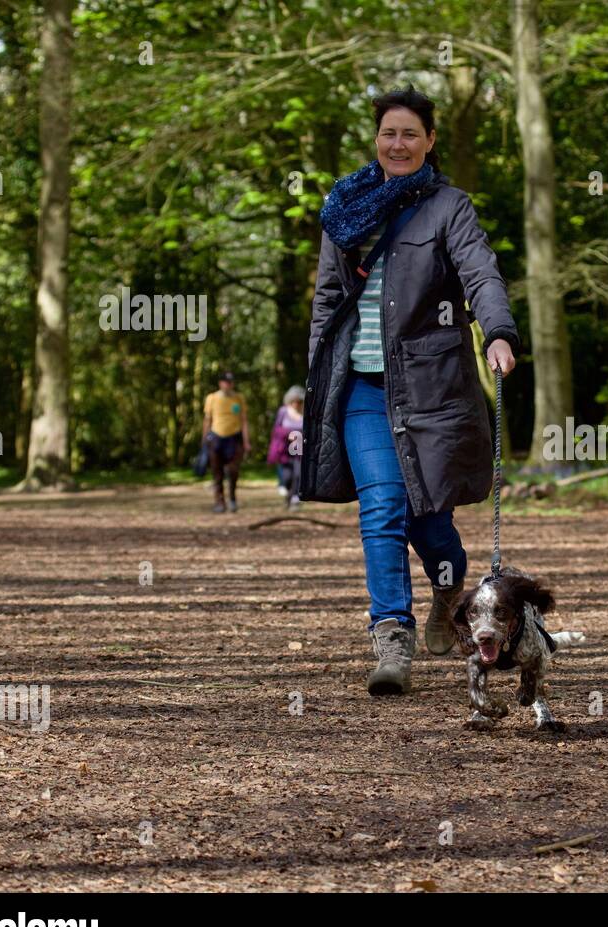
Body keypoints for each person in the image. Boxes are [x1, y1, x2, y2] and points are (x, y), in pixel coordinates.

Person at [300, 84, 520, 697]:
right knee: (382, 508)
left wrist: (497, 332)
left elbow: (480, 271)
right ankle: (390, 636)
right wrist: (319, 364)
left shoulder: (450, 206)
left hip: (433, 386)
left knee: (429, 517)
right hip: (363, 387)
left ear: (429, 141)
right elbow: (326, 298)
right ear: (377, 139)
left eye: (409, 134)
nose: (398, 144)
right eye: (388, 133)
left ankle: (450, 586)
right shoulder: (345, 205)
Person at [202, 371, 250, 514]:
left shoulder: (239, 398)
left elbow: (244, 421)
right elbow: (207, 420)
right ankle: (219, 502)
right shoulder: (212, 398)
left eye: (231, 381)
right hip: (216, 438)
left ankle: (233, 498)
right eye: (226, 381)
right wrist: (204, 439)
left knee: (233, 470)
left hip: (234, 438)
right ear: (220, 383)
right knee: (217, 473)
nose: (228, 384)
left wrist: (246, 441)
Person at [268, 385, 305, 510]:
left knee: (298, 474)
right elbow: (276, 430)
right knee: (287, 476)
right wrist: (288, 434)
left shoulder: (306, 412)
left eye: (299, 401)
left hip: (299, 448)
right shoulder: (283, 411)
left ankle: (295, 499)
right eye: (294, 401)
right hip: (284, 449)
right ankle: (288, 498)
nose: (297, 404)